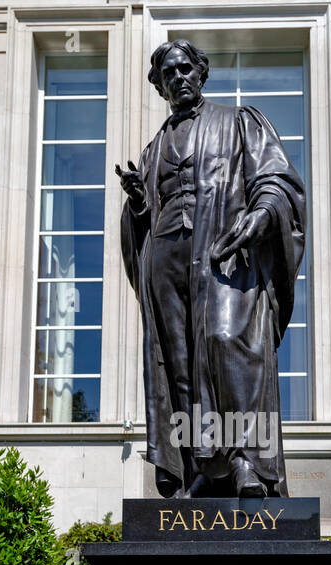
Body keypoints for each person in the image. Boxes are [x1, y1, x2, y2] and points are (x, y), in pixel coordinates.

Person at [116, 39, 306, 498]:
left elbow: (277, 180)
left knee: (227, 343)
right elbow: (141, 219)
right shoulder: (152, 148)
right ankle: (201, 466)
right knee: (178, 363)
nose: (178, 78)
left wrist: (261, 215)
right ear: (159, 86)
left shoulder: (239, 122)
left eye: (185, 69)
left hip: (223, 253)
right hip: (165, 256)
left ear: (201, 73)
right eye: (168, 74)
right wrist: (139, 204)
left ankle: (245, 461)